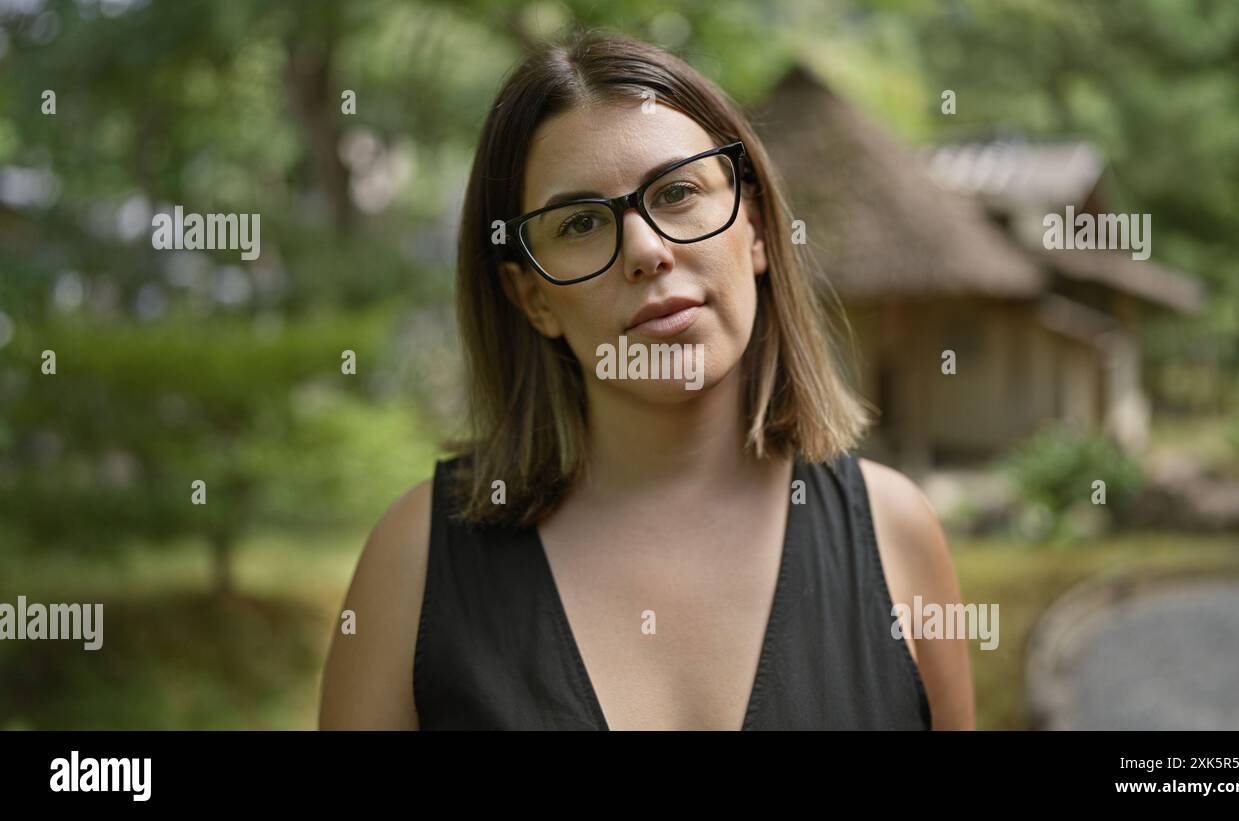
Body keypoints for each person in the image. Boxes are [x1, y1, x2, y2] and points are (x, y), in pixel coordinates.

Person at [319, 30, 975, 731]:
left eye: (678, 190)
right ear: (532, 297)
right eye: (579, 224)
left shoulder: (894, 534)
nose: (646, 250)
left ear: (753, 227)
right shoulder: (415, 563)